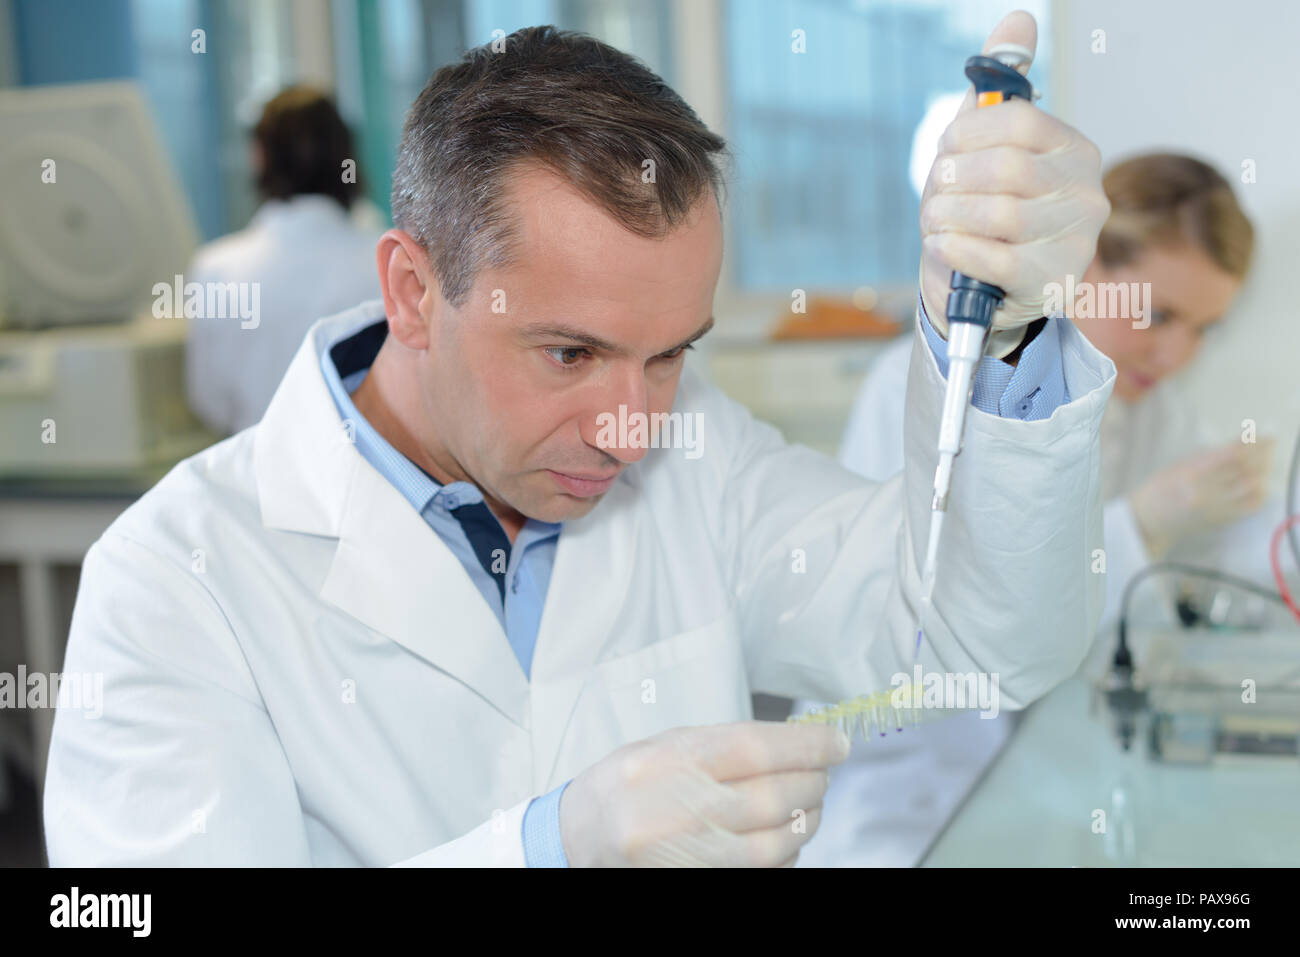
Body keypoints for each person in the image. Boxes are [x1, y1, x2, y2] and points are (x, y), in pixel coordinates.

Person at [45, 15, 1116, 867]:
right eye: (568, 354)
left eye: (670, 354)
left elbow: (976, 648)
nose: (634, 429)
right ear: (414, 293)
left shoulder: (701, 458)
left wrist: (1007, 333)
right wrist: (550, 850)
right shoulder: (173, 580)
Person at [799, 152, 1267, 868]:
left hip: (1051, 772)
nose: (1177, 352)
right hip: (906, 790)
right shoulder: (927, 384)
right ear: (1080, 268)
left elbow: (1233, 554)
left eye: (1204, 329)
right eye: (1157, 314)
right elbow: (929, 624)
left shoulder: (1151, 404)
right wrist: (1139, 523)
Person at [184, 86, 383, 435]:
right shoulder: (386, 261)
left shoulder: (216, 269)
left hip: (254, 472)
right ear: (347, 155)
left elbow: (208, 401)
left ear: (259, 157)